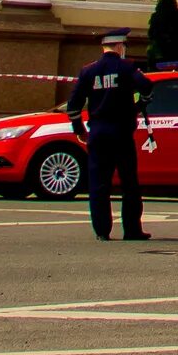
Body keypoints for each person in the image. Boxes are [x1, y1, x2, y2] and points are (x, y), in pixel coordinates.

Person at [65, 28, 155, 241]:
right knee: (129, 183)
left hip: (98, 133)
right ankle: (132, 230)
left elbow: (73, 105)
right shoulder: (127, 67)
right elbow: (147, 86)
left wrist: (79, 130)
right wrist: (139, 105)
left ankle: (102, 231)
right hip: (122, 132)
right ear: (120, 46)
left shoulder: (88, 71)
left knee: (98, 183)